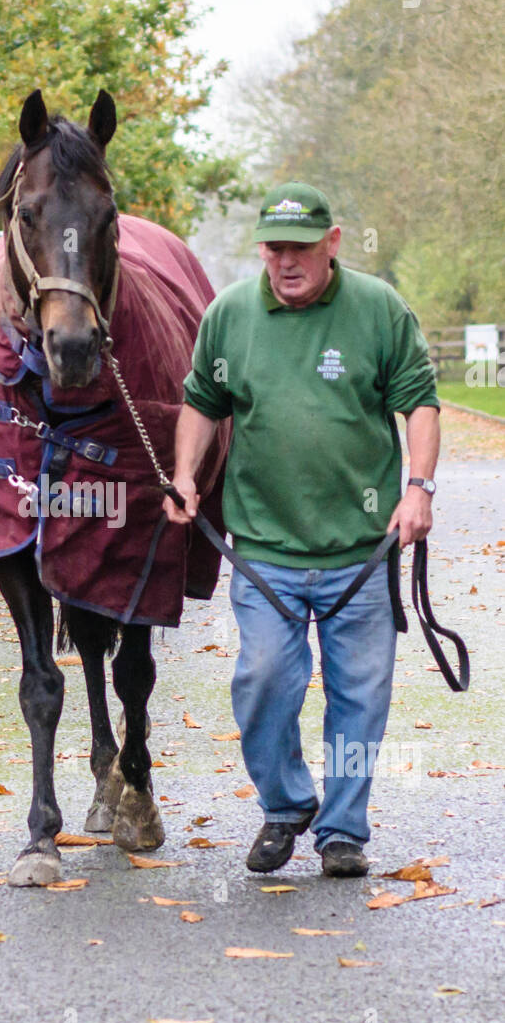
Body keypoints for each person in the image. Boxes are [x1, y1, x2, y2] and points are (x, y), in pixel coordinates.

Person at [165, 182, 440, 877]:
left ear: (332, 243)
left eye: (301, 248)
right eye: (274, 248)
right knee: (262, 681)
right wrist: (185, 476)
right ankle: (286, 805)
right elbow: (201, 403)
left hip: (361, 548)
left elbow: (420, 402)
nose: (286, 262)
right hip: (265, 551)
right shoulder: (229, 315)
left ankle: (342, 829)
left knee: (360, 697)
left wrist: (418, 488)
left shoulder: (377, 309)